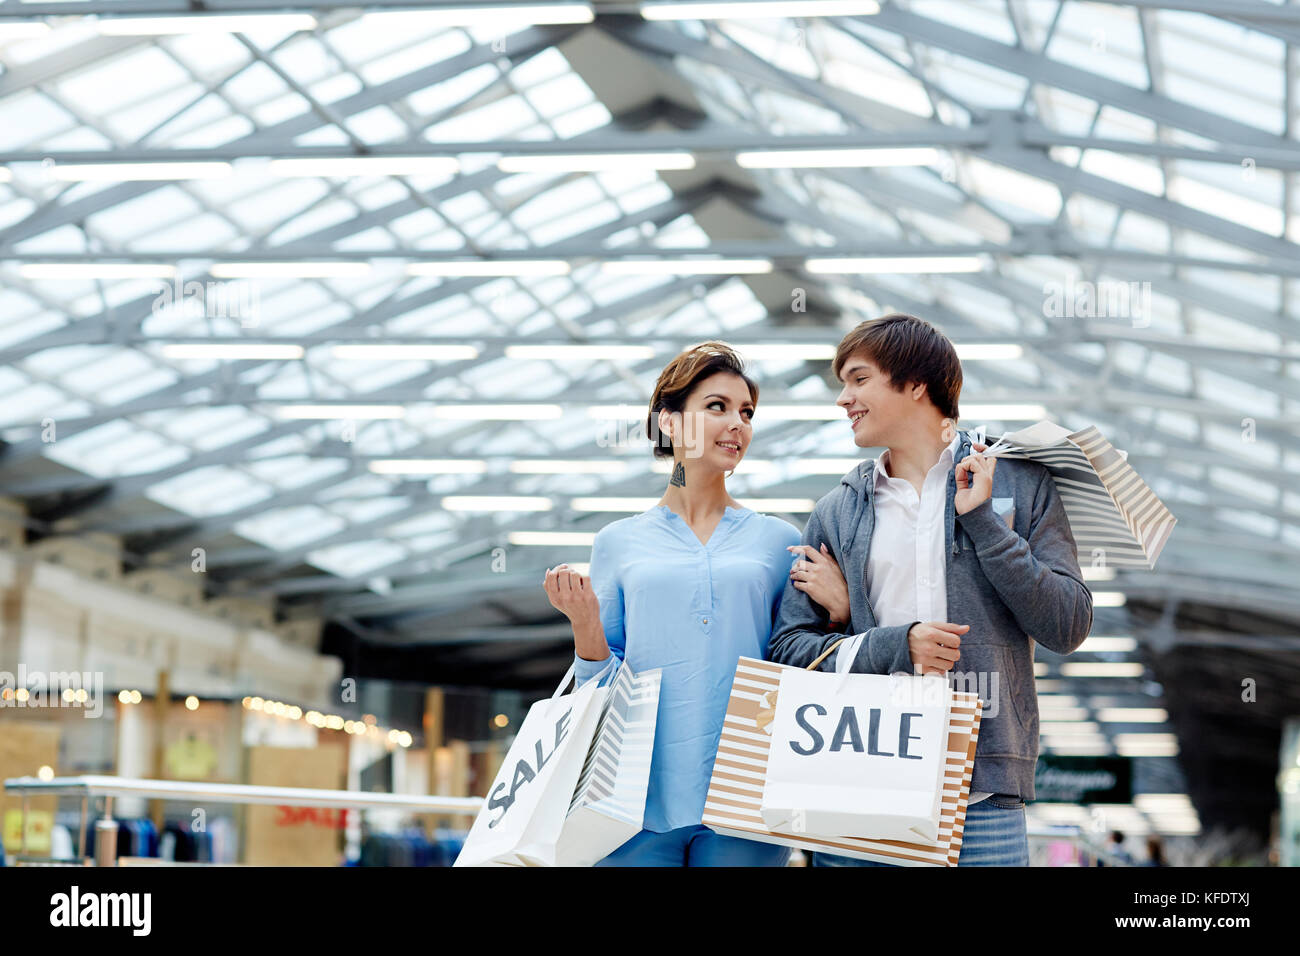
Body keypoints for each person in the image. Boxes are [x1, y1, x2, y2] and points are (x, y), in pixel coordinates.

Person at [769, 313, 1093, 866]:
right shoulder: (837, 512)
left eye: (858, 379)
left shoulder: (1019, 482)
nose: (843, 398)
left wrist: (986, 525)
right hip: (857, 778)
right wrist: (890, 640)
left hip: (981, 787)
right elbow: (788, 651)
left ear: (916, 384)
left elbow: (1067, 625)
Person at [543, 341, 800, 866]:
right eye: (717, 407)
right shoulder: (618, 542)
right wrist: (585, 625)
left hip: (747, 794)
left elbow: (799, 656)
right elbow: (600, 679)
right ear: (670, 422)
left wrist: (838, 608)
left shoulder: (778, 541)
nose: (738, 424)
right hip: (632, 799)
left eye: (747, 413)